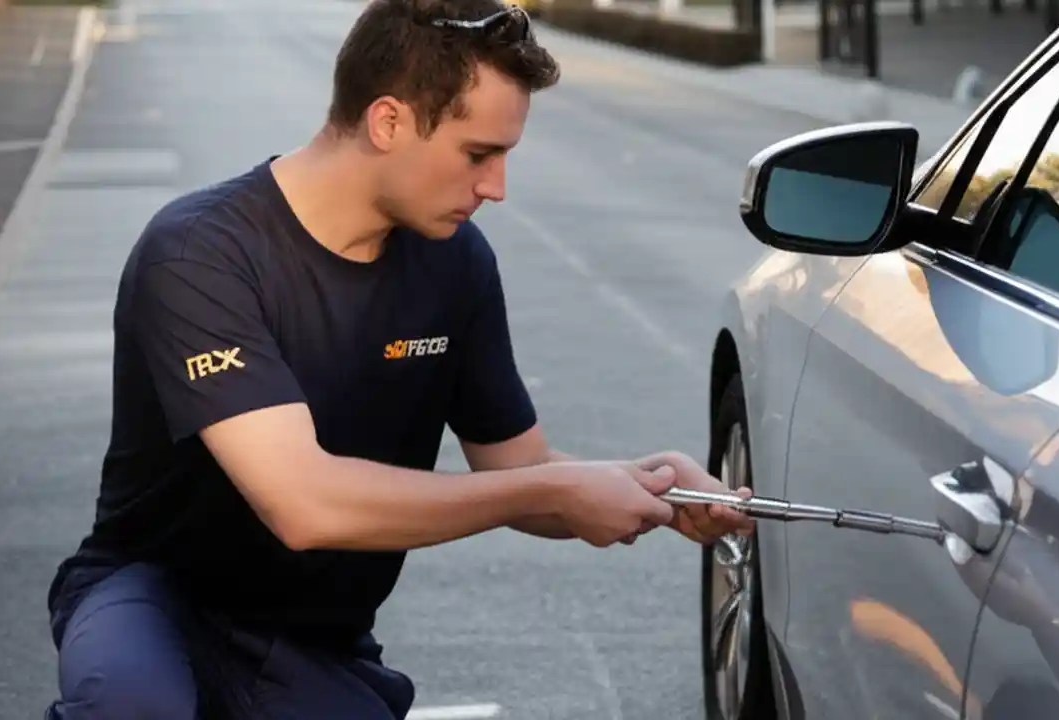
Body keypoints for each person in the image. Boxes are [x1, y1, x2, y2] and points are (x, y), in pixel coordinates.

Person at [43, 0, 755, 718]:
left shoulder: (456, 265)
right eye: (478, 154)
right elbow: (303, 503)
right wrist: (558, 490)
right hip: (154, 598)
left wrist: (654, 488)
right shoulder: (202, 253)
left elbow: (516, 470)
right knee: (133, 703)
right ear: (388, 122)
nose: (496, 188)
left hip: (309, 638)